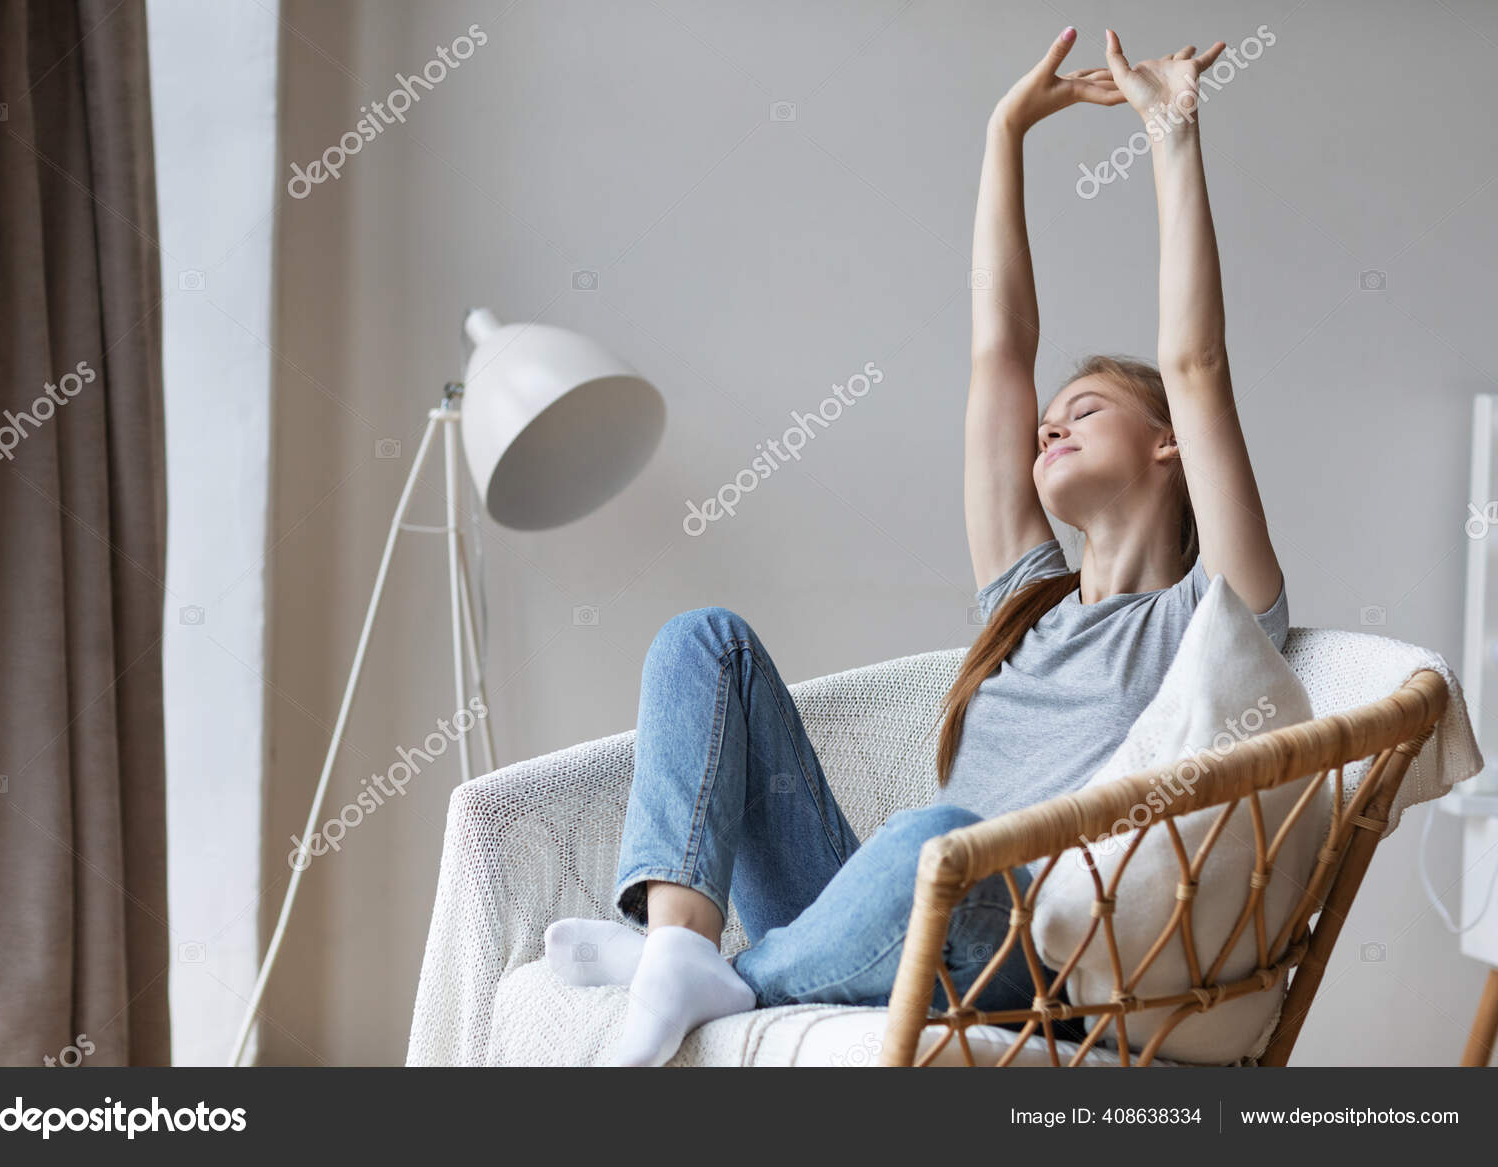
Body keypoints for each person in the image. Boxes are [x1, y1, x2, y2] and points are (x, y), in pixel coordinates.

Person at [543, 27, 1288, 1067]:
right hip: (887, 915)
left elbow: (1196, 361)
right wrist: (1003, 133)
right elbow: (998, 347)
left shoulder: (1215, 620)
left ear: (1170, 445)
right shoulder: (1025, 600)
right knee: (704, 639)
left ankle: (717, 978)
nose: (1048, 425)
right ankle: (679, 942)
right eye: (1048, 418)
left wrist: (1171, 133)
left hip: (1021, 960)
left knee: (925, 841)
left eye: (1085, 409)